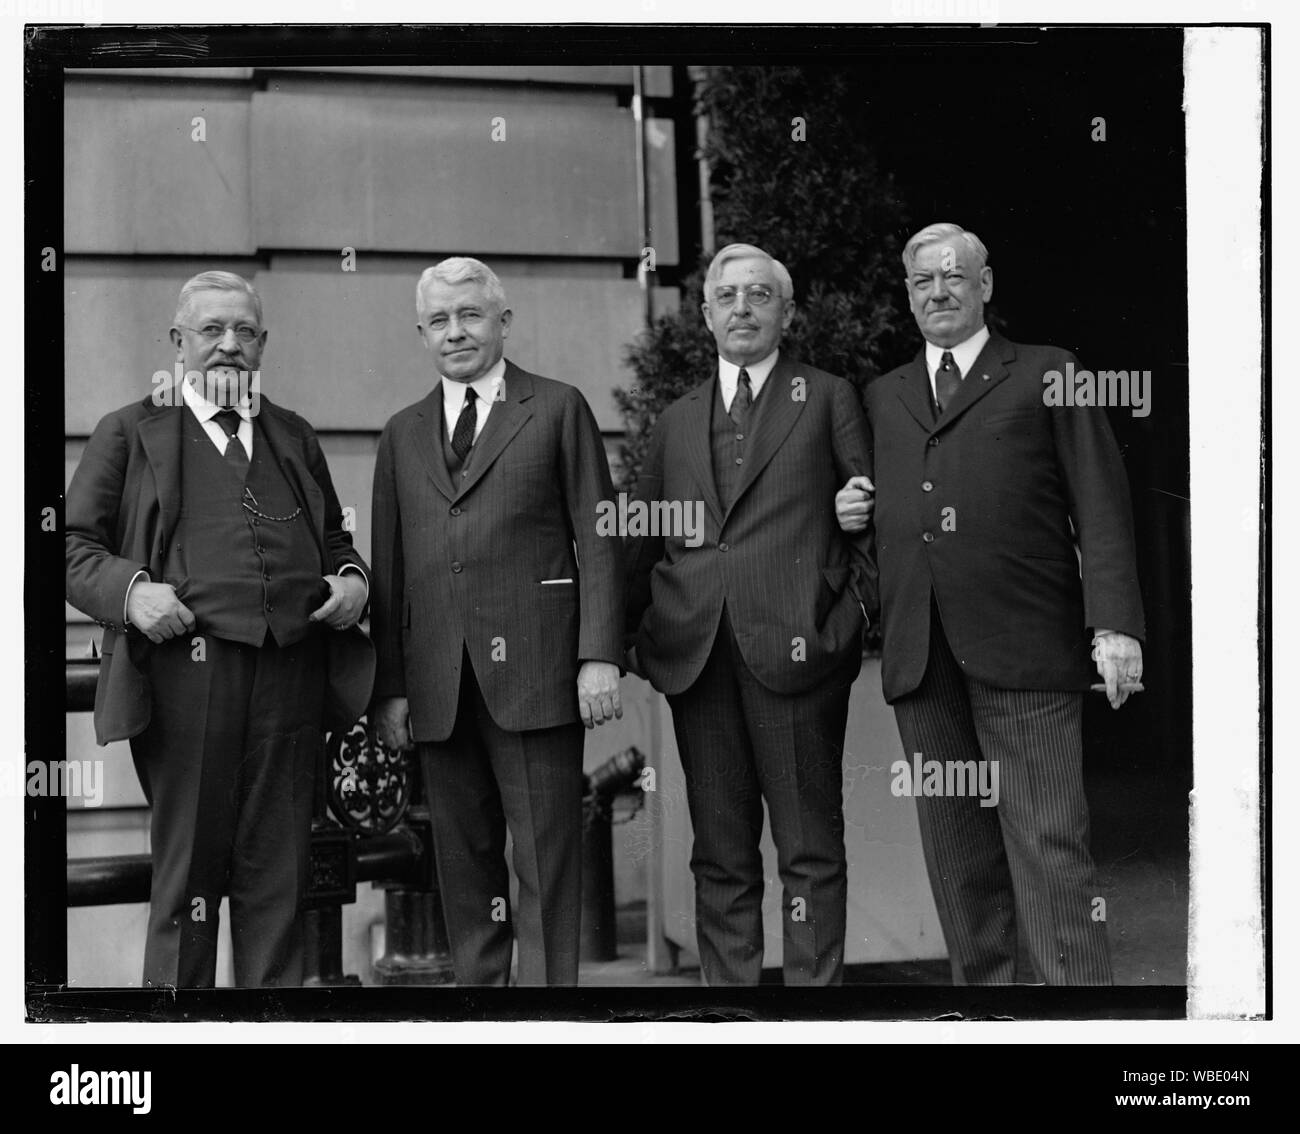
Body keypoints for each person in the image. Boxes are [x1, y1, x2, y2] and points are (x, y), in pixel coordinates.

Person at [836, 222, 1145, 985]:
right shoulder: (883, 396)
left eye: (953, 276)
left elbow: (1101, 506)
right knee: (958, 857)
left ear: (986, 285)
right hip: (923, 659)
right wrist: (848, 509)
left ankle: (1076, 1024)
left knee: (1047, 849)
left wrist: (1115, 627)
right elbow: (882, 512)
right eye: (921, 282)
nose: (938, 292)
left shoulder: (1049, 371)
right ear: (907, 295)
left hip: (1028, 651)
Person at [65, 271, 374, 988]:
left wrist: (354, 583)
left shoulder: (293, 435)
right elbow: (70, 548)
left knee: (280, 883)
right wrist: (132, 593)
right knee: (189, 887)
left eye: (244, 332)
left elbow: (336, 540)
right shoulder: (129, 432)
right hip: (184, 685)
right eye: (211, 331)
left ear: (262, 345)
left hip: (291, 682)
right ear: (178, 343)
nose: (228, 347)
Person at [370, 257, 624, 987]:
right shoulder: (400, 433)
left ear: (502, 322)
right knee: (465, 868)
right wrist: (390, 686)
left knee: (546, 867)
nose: (457, 333)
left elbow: (599, 536)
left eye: (471, 315)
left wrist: (598, 655)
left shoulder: (557, 407)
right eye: (440, 321)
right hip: (440, 689)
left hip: (540, 678)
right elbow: (390, 571)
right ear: (423, 333)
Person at [624, 243, 873, 985]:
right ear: (704, 315)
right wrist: (628, 644)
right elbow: (639, 539)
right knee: (720, 854)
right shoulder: (673, 422)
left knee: (808, 852)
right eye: (726, 296)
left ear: (786, 313)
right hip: (698, 661)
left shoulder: (827, 397)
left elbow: (875, 519)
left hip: (800, 655)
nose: (741, 308)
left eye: (759, 295)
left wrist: (850, 616)